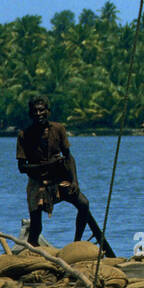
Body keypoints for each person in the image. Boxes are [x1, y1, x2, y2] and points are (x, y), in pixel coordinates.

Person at [16, 96, 115, 256]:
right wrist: (44, 166)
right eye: (35, 111)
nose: (38, 113)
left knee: (83, 204)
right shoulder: (24, 135)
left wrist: (75, 181)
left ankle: (76, 244)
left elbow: (68, 156)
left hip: (59, 180)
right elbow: (22, 167)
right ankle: (32, 252)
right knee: (36, 227)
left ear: (48, 112)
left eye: (42, 110)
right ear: (30, 114)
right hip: (38, 182)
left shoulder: (58, 129)